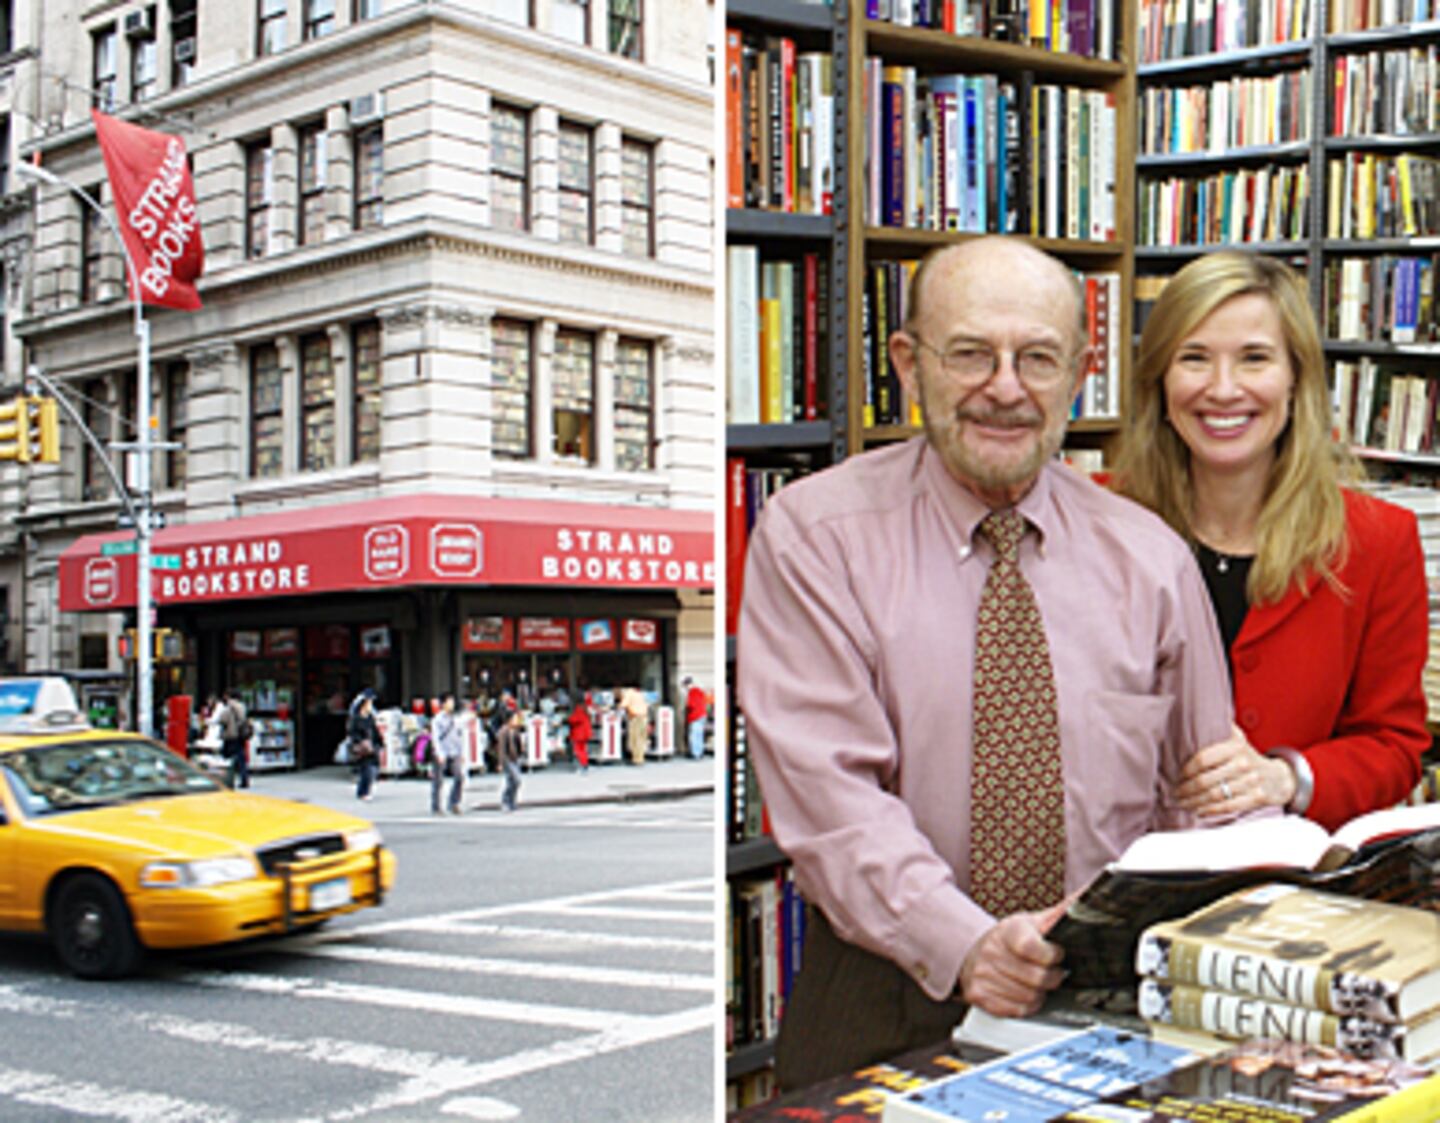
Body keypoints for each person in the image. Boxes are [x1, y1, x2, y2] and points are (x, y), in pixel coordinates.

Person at [737, 237, 1234, 1089]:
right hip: (884, 986)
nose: (1005, 388)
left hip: (1110, 997)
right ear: (907, 361)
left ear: (1079, 372)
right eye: (970, 353)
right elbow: (832, 800)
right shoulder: (813, 537)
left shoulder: (1151, 557)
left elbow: (1203, 798)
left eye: (1037, 358)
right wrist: (965, 941)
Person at [1112, 252, 1429, 831]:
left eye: (1254, 358)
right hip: (1117, 865)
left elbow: (1395, 744)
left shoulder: (1378, 540)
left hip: (1283, 882)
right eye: (1194, 359)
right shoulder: (1099, 519)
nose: (1223, 388)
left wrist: (1287, 778)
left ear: (1296, 378)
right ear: (1160, 378)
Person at [430, 692, 465, 815]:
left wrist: (461, 752)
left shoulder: (456, 718)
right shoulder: (437, 719)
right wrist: (439, 753)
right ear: (443, 704)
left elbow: (459, 736)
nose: (452, 704)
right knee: (438, 781)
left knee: (459, 777)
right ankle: (436, 806)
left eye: (453, 701)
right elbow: (435, 737)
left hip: (454, 751)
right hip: (442, 752)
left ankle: (454, 802)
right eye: (450, 702)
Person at [348, 690, 380, 802]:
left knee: (372, 769)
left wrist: (379, 743)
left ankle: (364, 790)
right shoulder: (356, 718)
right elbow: (352, 733)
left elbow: (375, 731)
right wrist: (360, 742)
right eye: (369, 702)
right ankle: (363, 792)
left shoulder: (370, 717)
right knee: (366, 770)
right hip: (363, 748)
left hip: (372, 747)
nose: (370, 705)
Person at [219, 689, 250, 790]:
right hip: (240, 735)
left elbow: (222, 719)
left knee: (225, 758)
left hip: (230, 735)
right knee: (241, 758)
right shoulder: (242, 707)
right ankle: (244, 778)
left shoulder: (229, 707)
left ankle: (226, 779)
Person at [495, 710, 525, 812]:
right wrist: (500, 763)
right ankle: (506, 801)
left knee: (512, 782)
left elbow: (519, 745)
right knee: (516, 780)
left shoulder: (515, 731)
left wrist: (521, 753)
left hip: (516, 758)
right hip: (507, 759)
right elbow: (501, 748)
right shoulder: (503, 731)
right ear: (509, 720)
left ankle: (511, 801)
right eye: (515, 718)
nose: (517, 720)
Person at [620, 685, 649, 765]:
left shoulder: (628, 693)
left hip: (635, 718)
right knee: (642, 738)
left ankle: (636, 759)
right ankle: (641, 757)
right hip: (644, 717)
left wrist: (617, 706)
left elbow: (624, 705)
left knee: (635, 738)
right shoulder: (640, 694)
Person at [683, 676, 708, 760]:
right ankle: (700, 752)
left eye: (685, 685)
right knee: (700, 735)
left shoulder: (691, 692)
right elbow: (704, 701)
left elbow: (690, 705)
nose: (685, 688)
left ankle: (695, 754)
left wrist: (686, 710)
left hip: (695, 716)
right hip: (702, 715)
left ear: (688, 684)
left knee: (694, 735)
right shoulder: (700, 691)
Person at [568, 692, 593, 772]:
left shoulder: (579, 708)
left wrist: (568, 719)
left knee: (578, 749)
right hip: (585, 731)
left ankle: (584, 765)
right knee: (583, 749)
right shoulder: (585, 707)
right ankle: (585, 764)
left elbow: (575, 719)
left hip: (580, 732)